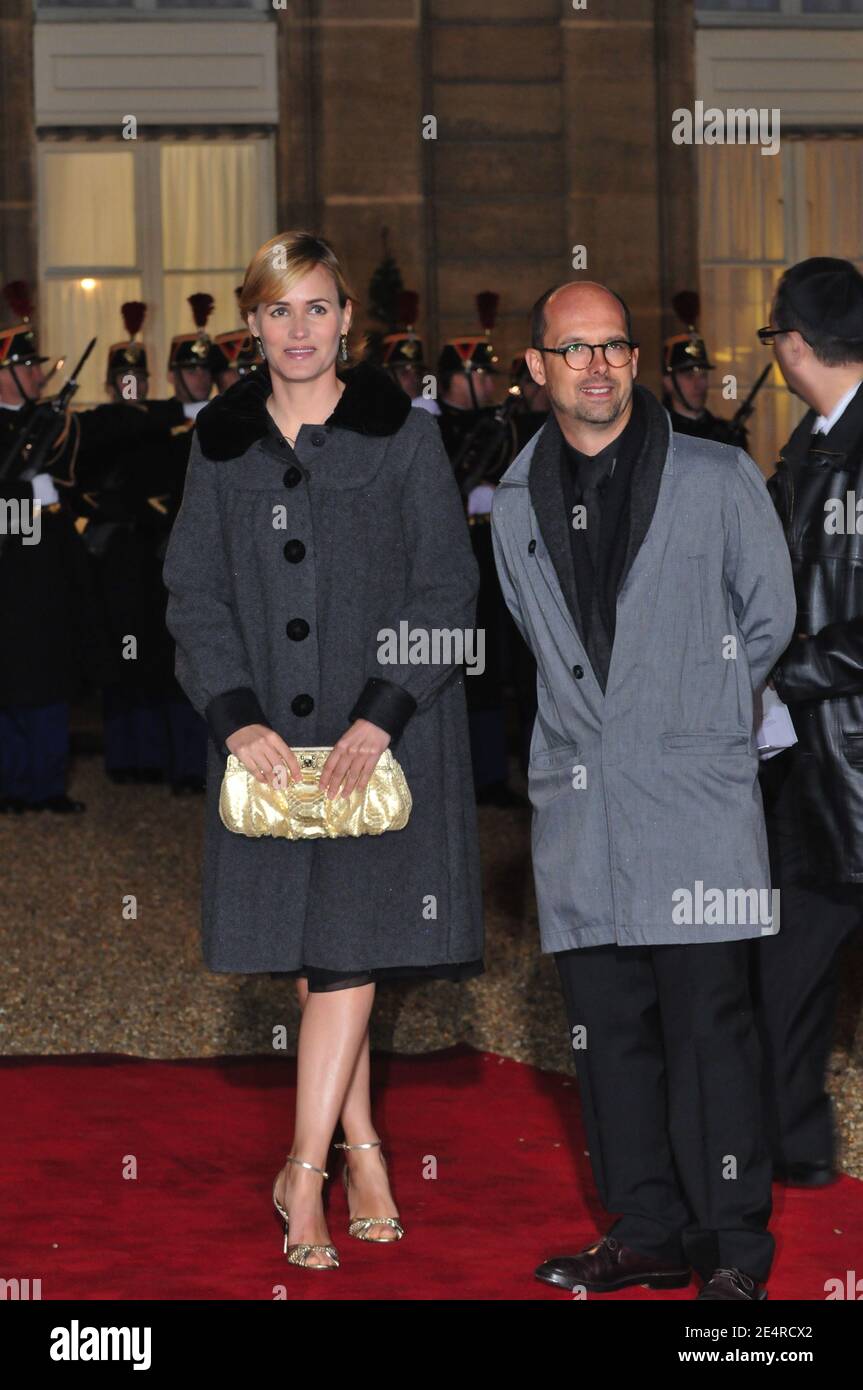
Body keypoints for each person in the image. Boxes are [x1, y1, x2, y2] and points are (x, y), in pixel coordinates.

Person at [162, 230, 483, 1270]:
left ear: (347, 319)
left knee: (345, 949)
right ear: (251, 325)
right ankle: (365, 1145)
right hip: (265, 745)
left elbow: (447, 588)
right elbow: (192, 597)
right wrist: (234, 716)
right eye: (276, 309)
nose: (297, 328)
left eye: (315, 307)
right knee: (313, 961)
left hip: (377, 743)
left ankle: (302, 1174)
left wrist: (381, 712)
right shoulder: (218, 445)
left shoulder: (404, 437)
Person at [491, 280, 796, 1300]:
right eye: (573, 349)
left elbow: (769, 613)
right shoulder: (513, 499)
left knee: (710, 1030)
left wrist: (695, 714)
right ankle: (647, 1227)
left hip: (695, 799)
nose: (597, 366)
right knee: (606, 1030)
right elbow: (535, 640)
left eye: (613, 346)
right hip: (581, 806)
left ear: (633, 357)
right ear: (536, 367)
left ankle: (732, 1248)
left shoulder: (715, 475)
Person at [753, 256, 863, 1188]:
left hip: (840, 753)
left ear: (791, 345)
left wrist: (782, 677)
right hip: (811, 763)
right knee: (785, 962)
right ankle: (792, 1143)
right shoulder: (812, 445)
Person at [662, 292, 748, 448]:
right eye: (689, 376)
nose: (698, 384)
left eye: (703, 375)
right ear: (669, 382)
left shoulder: (725, 433)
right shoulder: (659, 436)